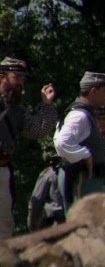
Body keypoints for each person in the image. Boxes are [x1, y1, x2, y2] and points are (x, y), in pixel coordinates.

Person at [0, 57, 57, 237]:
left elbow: (38, 130)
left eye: (23, 79)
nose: (21, 83)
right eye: (17, 77)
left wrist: (47, 104)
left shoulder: (16, 110)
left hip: (2, 168)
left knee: (4, 225)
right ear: (2, 76)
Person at [53, 71, 105, 208]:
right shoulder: (79, 115)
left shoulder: (81, 112)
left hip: (87, 179)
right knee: (84, 222)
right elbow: (61, 143)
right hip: (82, 179)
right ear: (93, 91)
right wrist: (84, 155)